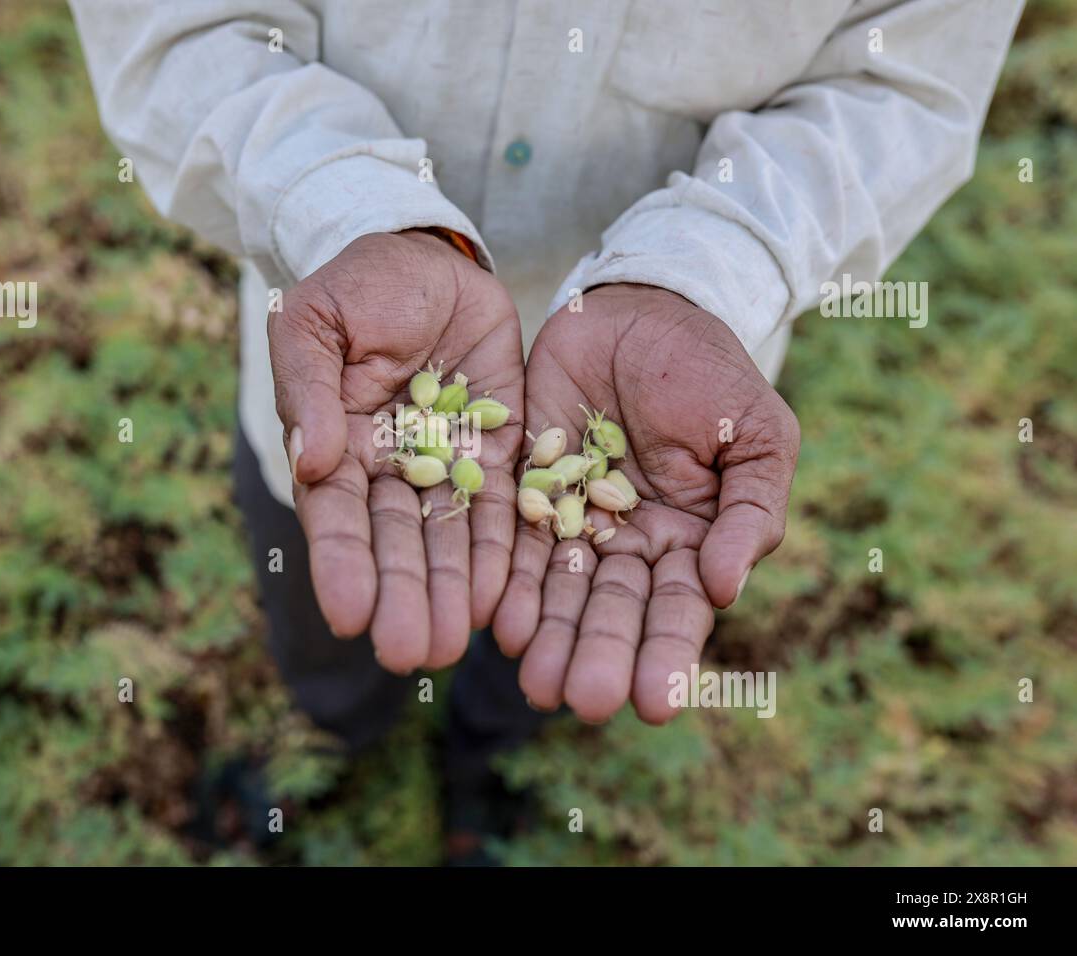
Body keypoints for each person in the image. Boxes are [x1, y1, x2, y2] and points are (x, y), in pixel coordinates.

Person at [69, 0, 1022, 859]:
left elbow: (901, 81)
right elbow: (179, 27)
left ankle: (484, 767)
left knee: (548, 633)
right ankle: (333, 738)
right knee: (329, 601)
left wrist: (710, 264)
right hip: (350, 372)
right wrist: (353, 213)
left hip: (665, 391)